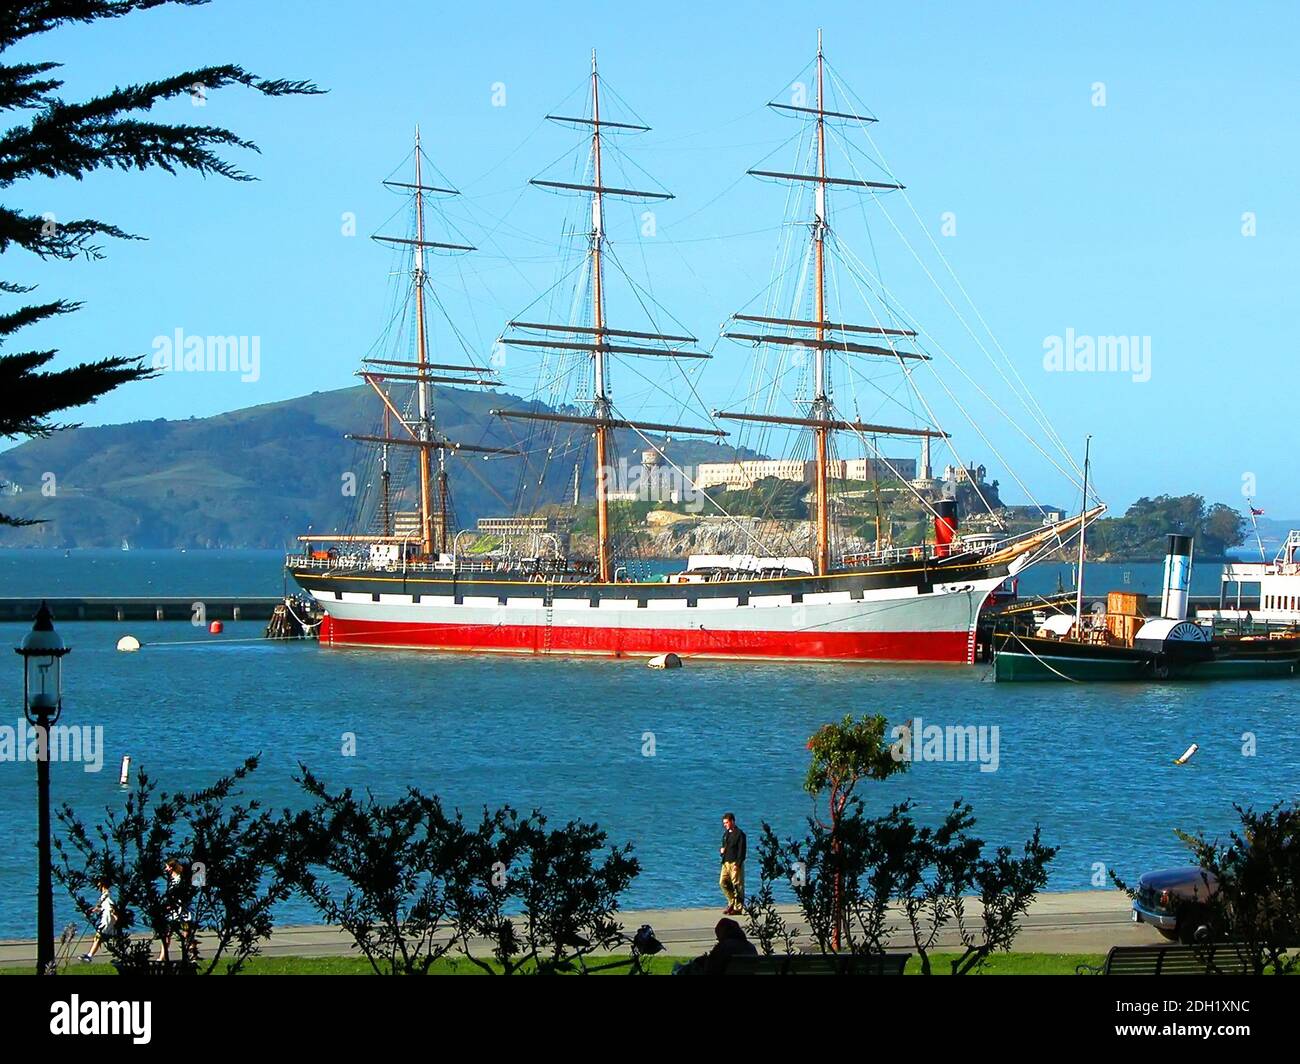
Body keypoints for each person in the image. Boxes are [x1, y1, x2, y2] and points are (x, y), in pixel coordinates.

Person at [673, 918, 758, 975]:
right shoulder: (750, 947)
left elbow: (710, 970)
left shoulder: (724, 947)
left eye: (718, 937)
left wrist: (704, 961)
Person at [719, 811, 747, 915]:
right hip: (725, 862)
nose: (724, 825)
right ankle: (731, 901)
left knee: (737, 885)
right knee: (722, 882)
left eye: (726, 822)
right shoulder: (726, 834)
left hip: (735, 863)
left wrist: (738, 864)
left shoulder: (740, 834)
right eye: (724, 823)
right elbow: (724, 847)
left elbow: (742, 851)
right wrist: (722, 852)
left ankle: (738, 908)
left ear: (732, 821)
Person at [80, 880, 115, 963]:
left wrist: (114, 917)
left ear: (102, 884)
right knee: (99, 937)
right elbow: (104, 907)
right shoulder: (105, 895)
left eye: (99, 883)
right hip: (106, 919)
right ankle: (89, 955)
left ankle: (89, 956)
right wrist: (93, 911)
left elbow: (111, 907)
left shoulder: (106, 895)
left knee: (99, 937)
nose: (97, 885)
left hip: (107, 919)